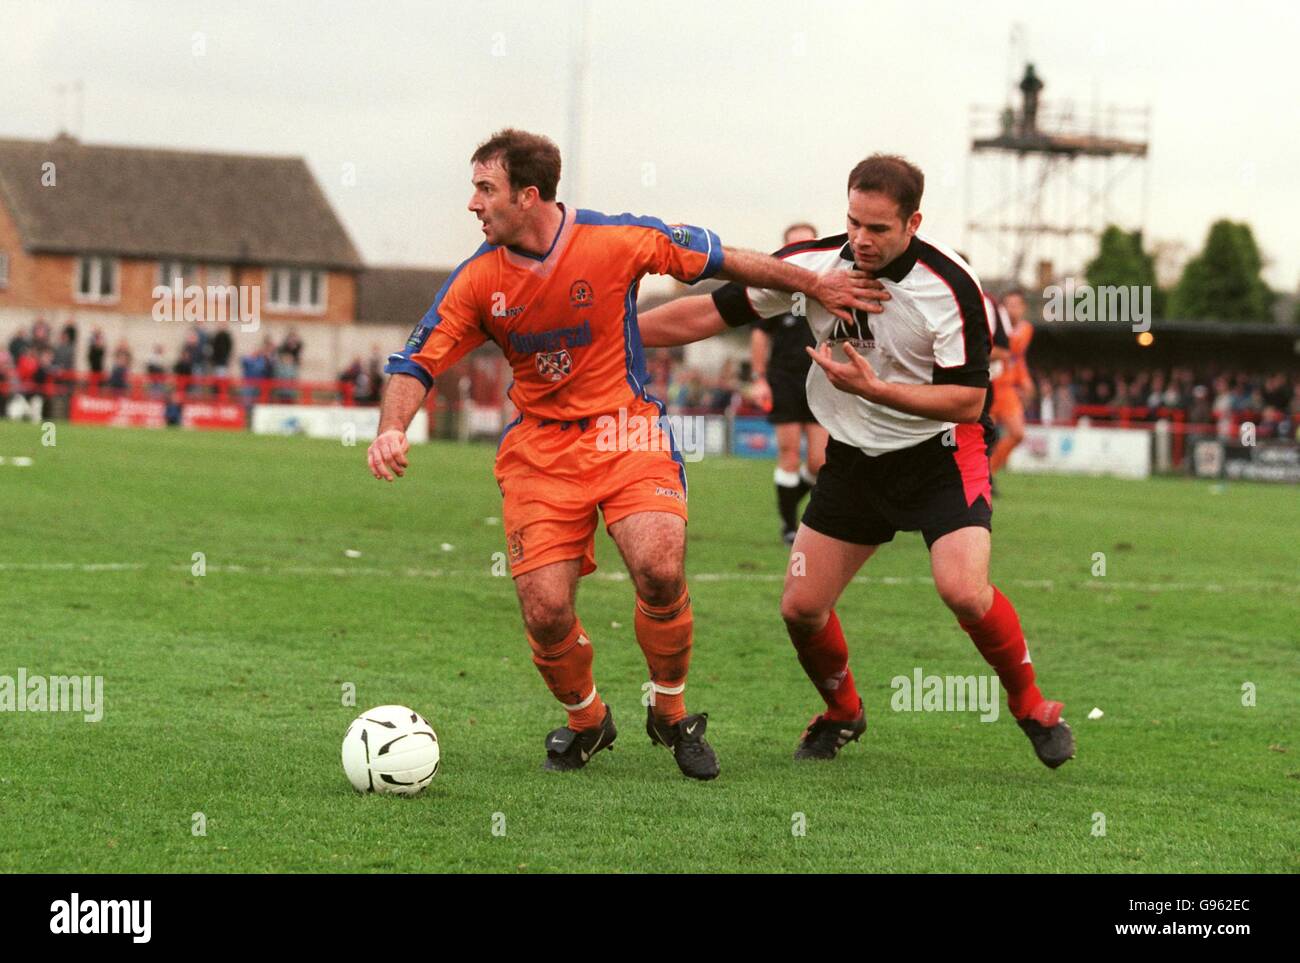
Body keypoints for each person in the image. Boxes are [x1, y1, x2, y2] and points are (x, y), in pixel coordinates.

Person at [367, 128, 883, 780]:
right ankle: (588, 719)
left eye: (484, 188)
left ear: (528, 195)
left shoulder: (615, 240)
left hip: (626, 433)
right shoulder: (477, 280)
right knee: (548, 612)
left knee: (660, 567)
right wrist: (392, 427)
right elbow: (415, 361)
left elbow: (725, 258)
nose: (473, 203)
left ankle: (671, 712)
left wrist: (815, 284)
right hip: (539, 451)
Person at [637, 153, 1074, 770]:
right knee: (801, 607)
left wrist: (877, 390)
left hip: (941, 453)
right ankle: (842, 712)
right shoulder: (813, 266)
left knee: (964, 591)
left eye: (879, 229)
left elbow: (971, 399)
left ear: (913, 222)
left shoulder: (952, 286)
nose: (861, 241)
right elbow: (710, 311)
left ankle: (1030, 704)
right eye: (854, 223)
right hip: (853, 460)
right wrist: (617, 331)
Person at [749, 222, 830, 544]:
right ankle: (788, 525)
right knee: (789, 452)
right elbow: (759, 334)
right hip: (784, 379)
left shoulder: (830, 285)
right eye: (795, 246)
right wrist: (759, 378)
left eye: (808, 244)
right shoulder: (775, 289)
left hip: (823, 381)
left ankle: (791, 495)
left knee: (820, 461)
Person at [988, 290, 1034, 477]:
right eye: (1008, 305)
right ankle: (979, 477)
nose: (1011, 310)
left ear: (1023, 308)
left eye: (1016, 305)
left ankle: (990, 471)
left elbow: (1018, 358)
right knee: (984, 437)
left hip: (1007, 389)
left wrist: (1024, 380)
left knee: (1018, 434)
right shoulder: (994, 327)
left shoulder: (1026, 330)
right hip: (990, 385)